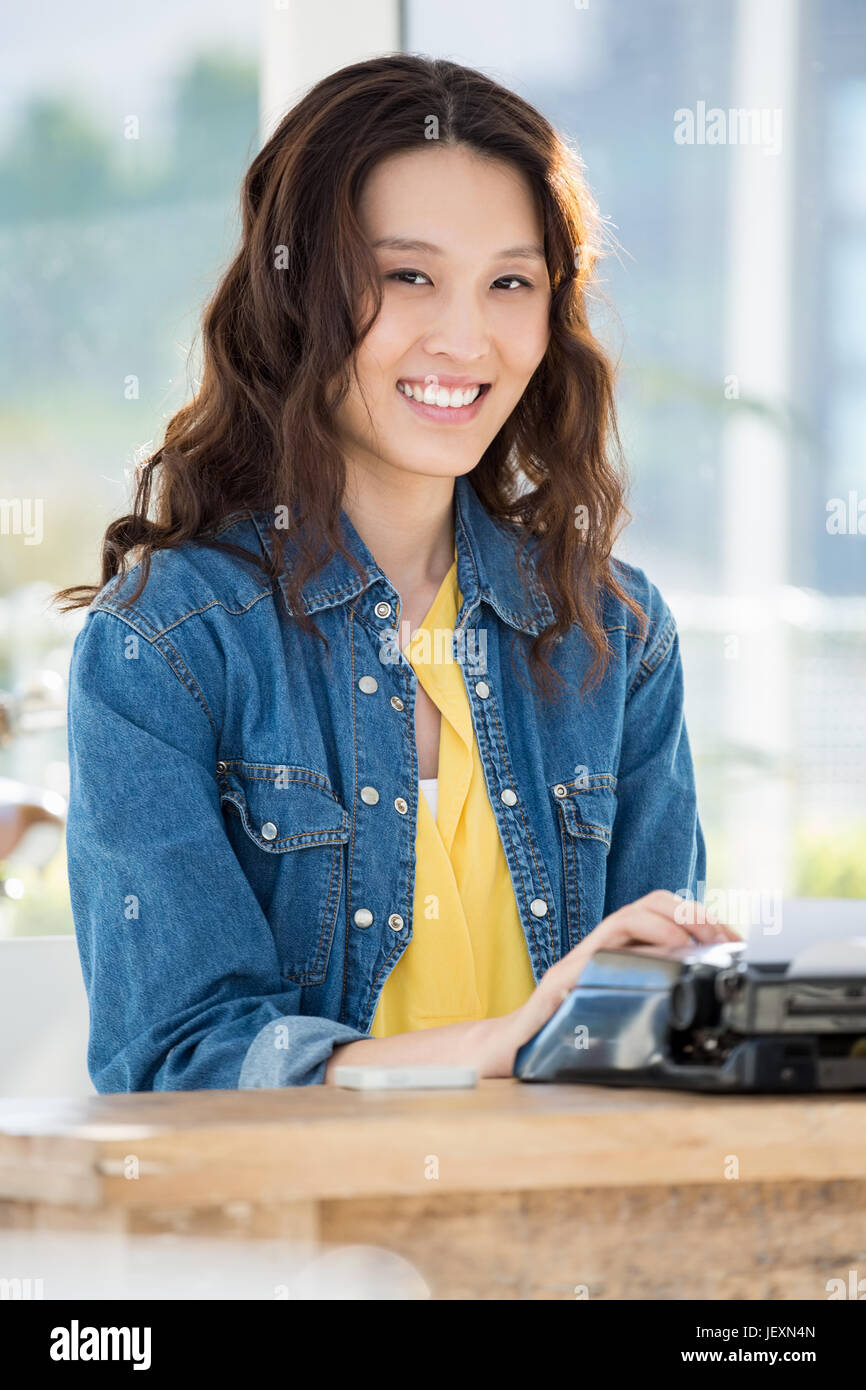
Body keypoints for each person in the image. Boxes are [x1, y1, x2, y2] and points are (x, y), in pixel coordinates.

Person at [57, 54, 737, 1093]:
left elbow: (649, 1040)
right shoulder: (167, 645)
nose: (463, 339)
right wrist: (497, 1043)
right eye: (407, 275)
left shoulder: (615, 630)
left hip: (578, 1234)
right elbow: (177, 1060)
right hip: (309, 1249)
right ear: (298, 291)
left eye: (509, 282)